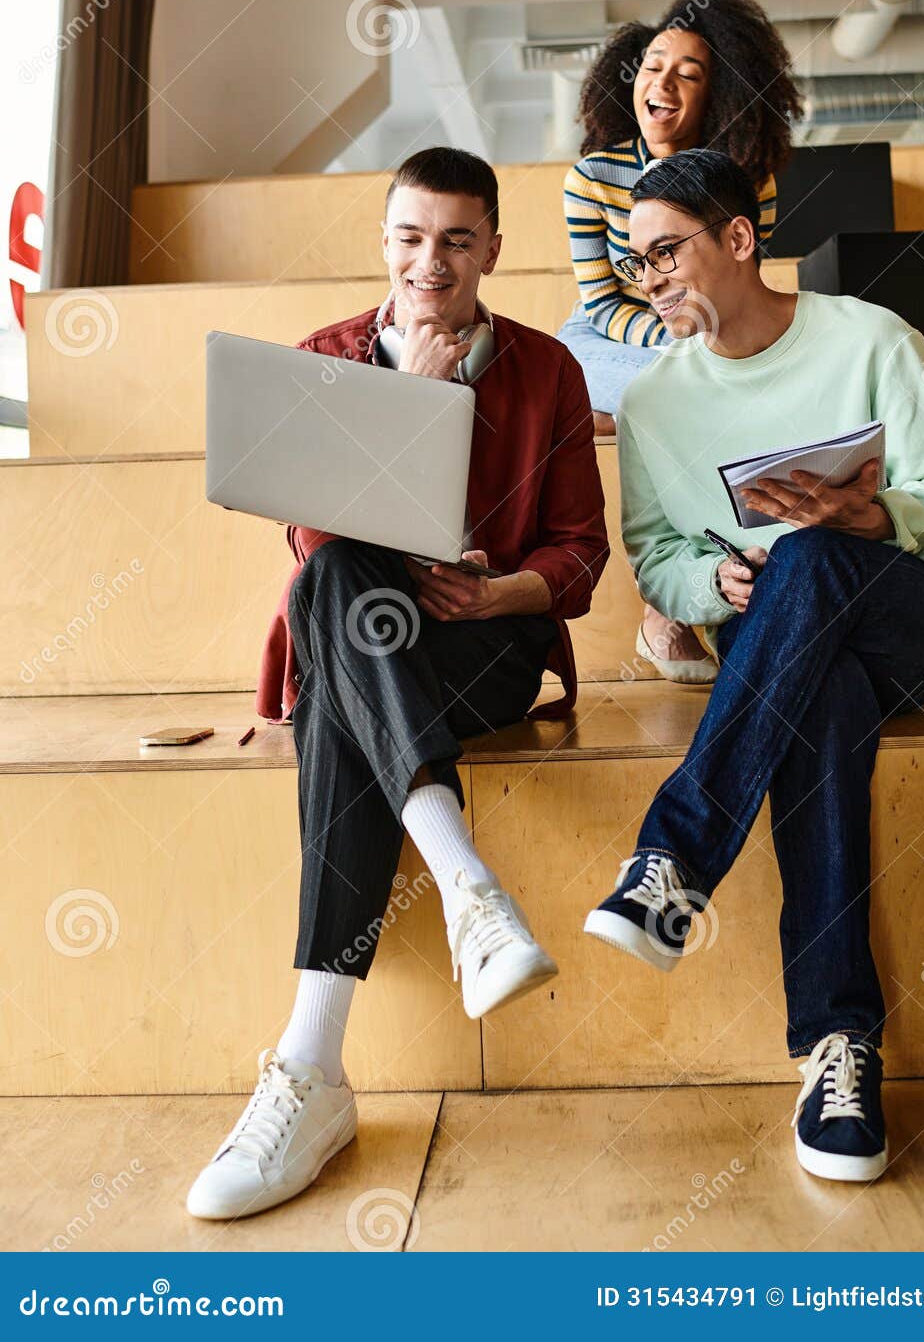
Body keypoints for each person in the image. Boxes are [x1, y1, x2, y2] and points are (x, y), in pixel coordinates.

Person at [187, 147, 609, 1220]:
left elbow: (577, 554)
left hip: (486, 651)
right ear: (385, 242)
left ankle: (310, 1080)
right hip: (363, 640)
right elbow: (311, 532)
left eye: (458, 238)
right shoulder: (322, 359)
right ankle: (451, 903)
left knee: (336, 649)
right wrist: (407, 400)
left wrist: (499, 589)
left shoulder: (548, 368)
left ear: (493, 251)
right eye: (413, 236)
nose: (433, 260)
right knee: (333, 581)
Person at [582, 148, 924, 1184]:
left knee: (810, 554)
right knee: (821, 693)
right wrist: (705, 587)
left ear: (738, 238)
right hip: (782, 649)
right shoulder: (654, 403)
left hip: (906, 614)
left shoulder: (868, 338)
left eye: (667, 251)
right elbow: (659, 554)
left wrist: (873, 511)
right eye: (636, 264)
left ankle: (673, 862)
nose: (654, 279)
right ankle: (838, 1045)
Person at [556, 0, 802, 683]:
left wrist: (705, 343)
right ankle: (664, 609)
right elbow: (602, 304)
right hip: (612, 336)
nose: (660, 82)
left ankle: (759, 587)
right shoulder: (592, 176)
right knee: (676, 392)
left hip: (710, 328)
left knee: (744, 389)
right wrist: (680, 346)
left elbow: (741, 288)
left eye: (687, 73)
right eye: (651, 65)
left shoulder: (749, 181)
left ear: (718, 96)